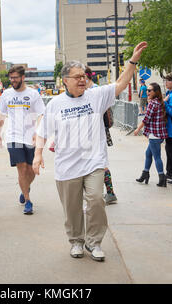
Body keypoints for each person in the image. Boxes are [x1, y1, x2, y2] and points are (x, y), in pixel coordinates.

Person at [33, 41, 148, 261]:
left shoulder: (96, 96)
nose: (82, 79)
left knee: (96, 199)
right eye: (76, 76)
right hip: (67, 166)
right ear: (65, 81)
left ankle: (94, 242)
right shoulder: (55, 104)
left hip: (94, 161)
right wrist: (38, 155)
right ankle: (76, 241)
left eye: (84, 75)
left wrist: (132, 61)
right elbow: (42, 132)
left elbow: (122, 83)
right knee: (72, 208)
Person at [0, 65, 45, 215]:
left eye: (15, 78)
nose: (12, 80)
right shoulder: (6, 94)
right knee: (22, 168)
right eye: (11, 78)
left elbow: (41, 114)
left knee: (31, 170)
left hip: (30, 137)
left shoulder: (33, 94)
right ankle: (28, 201)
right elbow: (1, 114)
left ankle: (25, 188)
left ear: (23, 78)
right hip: (13, 136)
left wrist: (38, 132)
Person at [85, 66, 118, 204]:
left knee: (100, 162)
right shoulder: (89, 90)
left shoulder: (95, 91)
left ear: (87, 77)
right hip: (90, 131)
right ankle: (107, 193)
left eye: (81, 77)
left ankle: (108, 193)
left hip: (97, 130)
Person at [134, 82, 168, 187]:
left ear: (155, 92)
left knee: (157, 157)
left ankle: (162, 178)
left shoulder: (153, 103)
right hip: (159, 134)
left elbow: (146, 119)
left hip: (154, 135)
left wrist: (137, 129)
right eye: (147, 90)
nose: (147, 92)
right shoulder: (159, 102)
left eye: (149, 90)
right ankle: (145, 173)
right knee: (148, 154)